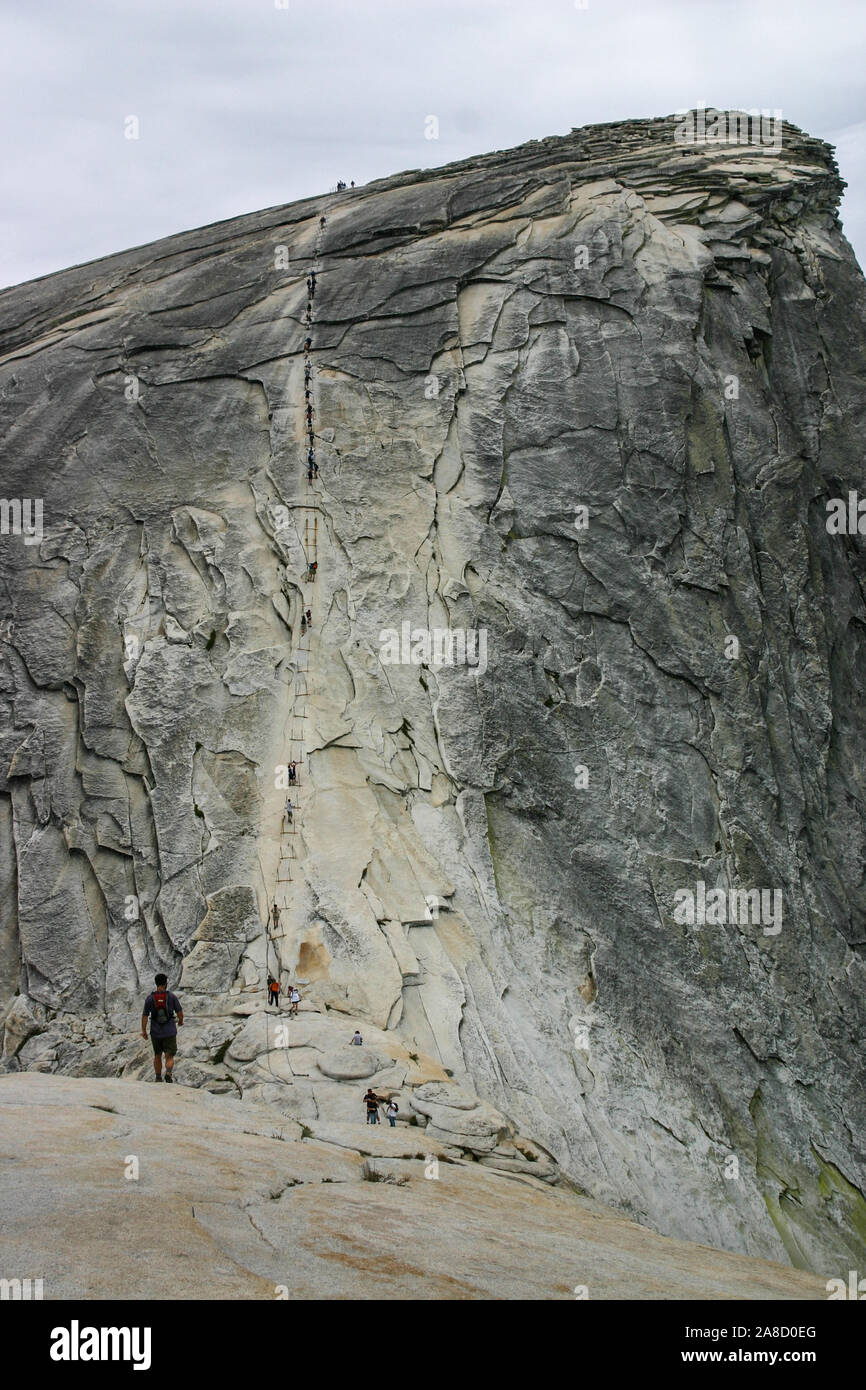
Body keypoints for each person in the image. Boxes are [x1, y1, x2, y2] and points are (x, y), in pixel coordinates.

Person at [141, 973, 183, 1083]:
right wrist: (181, 1021)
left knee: (157, 1055)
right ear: (165, 983)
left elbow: (145, 1015)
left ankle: (158, 1077)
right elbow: (179, 1012)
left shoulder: (150, 998)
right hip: (169, 1031)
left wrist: (144, 1031)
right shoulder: (172, 996)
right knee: (169, 1056)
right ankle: (168, 1073)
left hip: (155, 1032)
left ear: (156, 983)